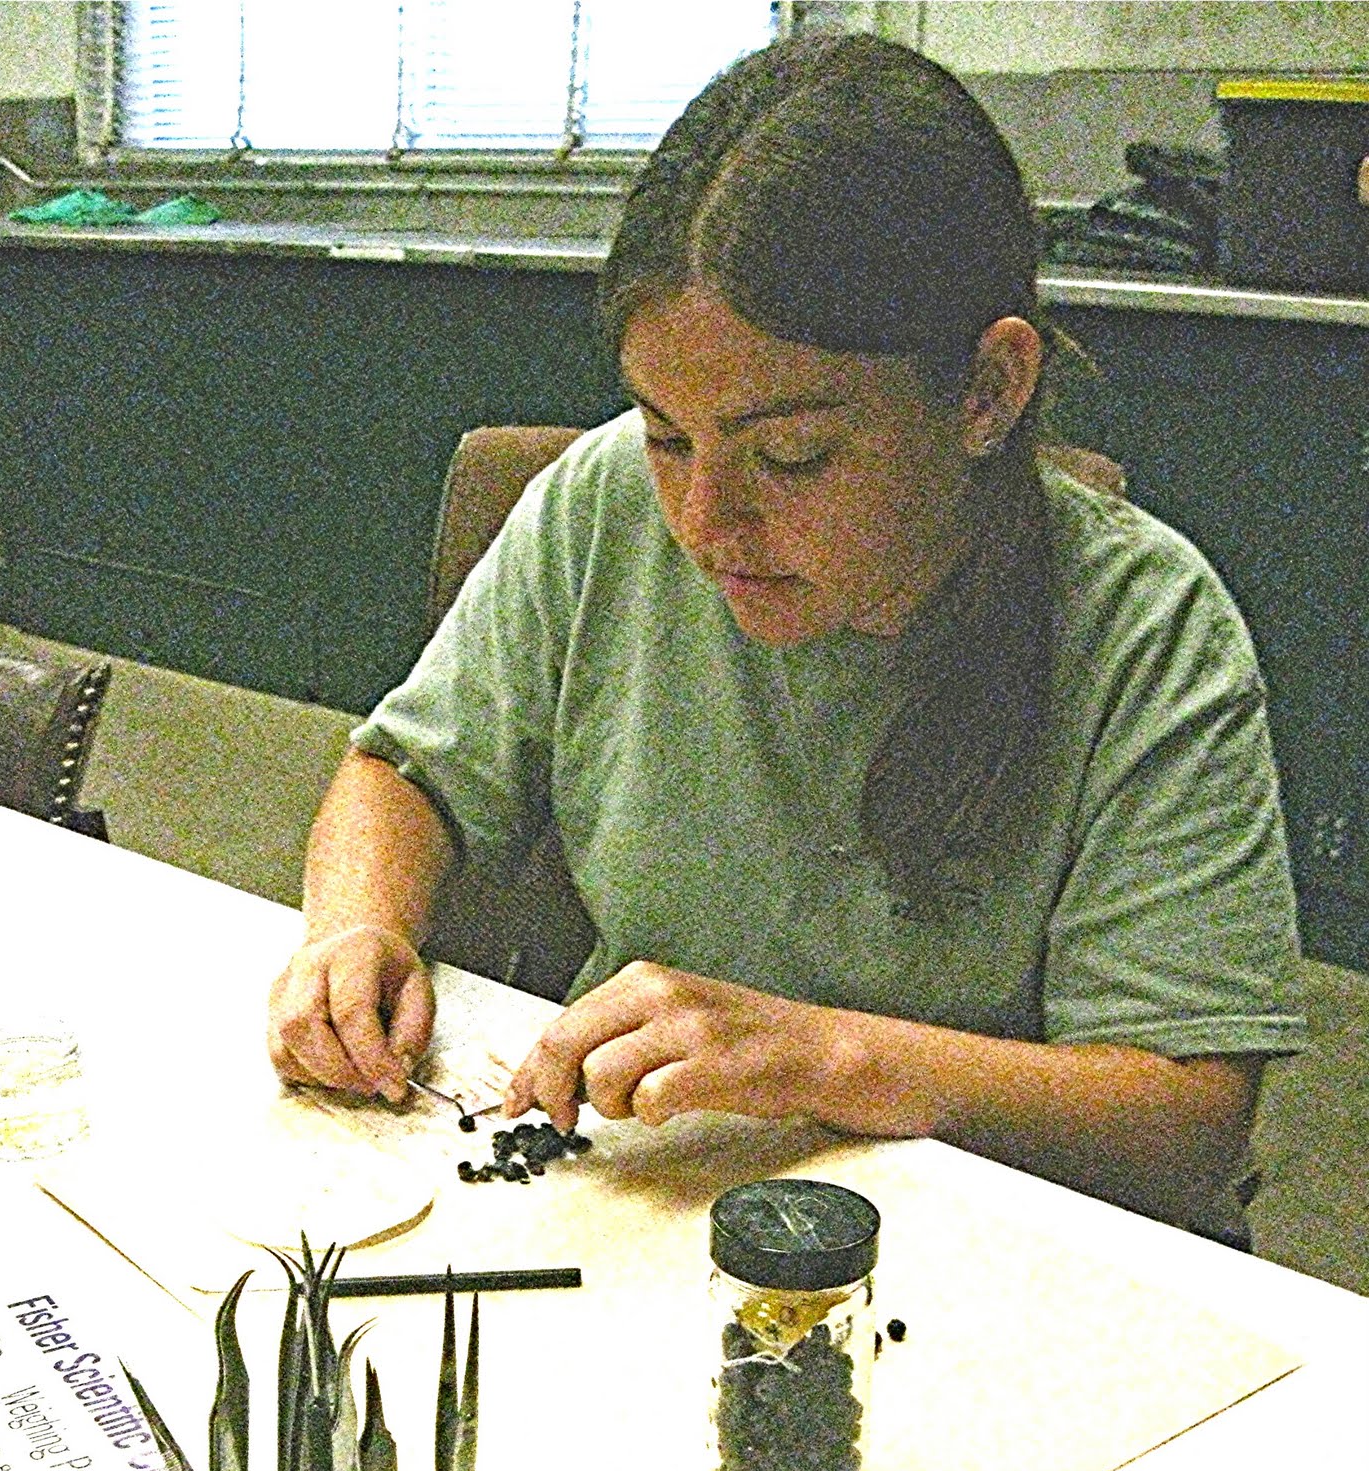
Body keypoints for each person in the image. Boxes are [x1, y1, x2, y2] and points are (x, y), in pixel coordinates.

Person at [267, 31, 1305, 1241]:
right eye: (667, 435)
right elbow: (407, 771)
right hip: (664, 1203)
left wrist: (826, 1057)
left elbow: (1187, 1117)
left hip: (980, 1237)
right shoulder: (604, 504)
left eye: (793, 454)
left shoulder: (1146, 627)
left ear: (987, 392)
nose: (708, 522)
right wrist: (357, 926)